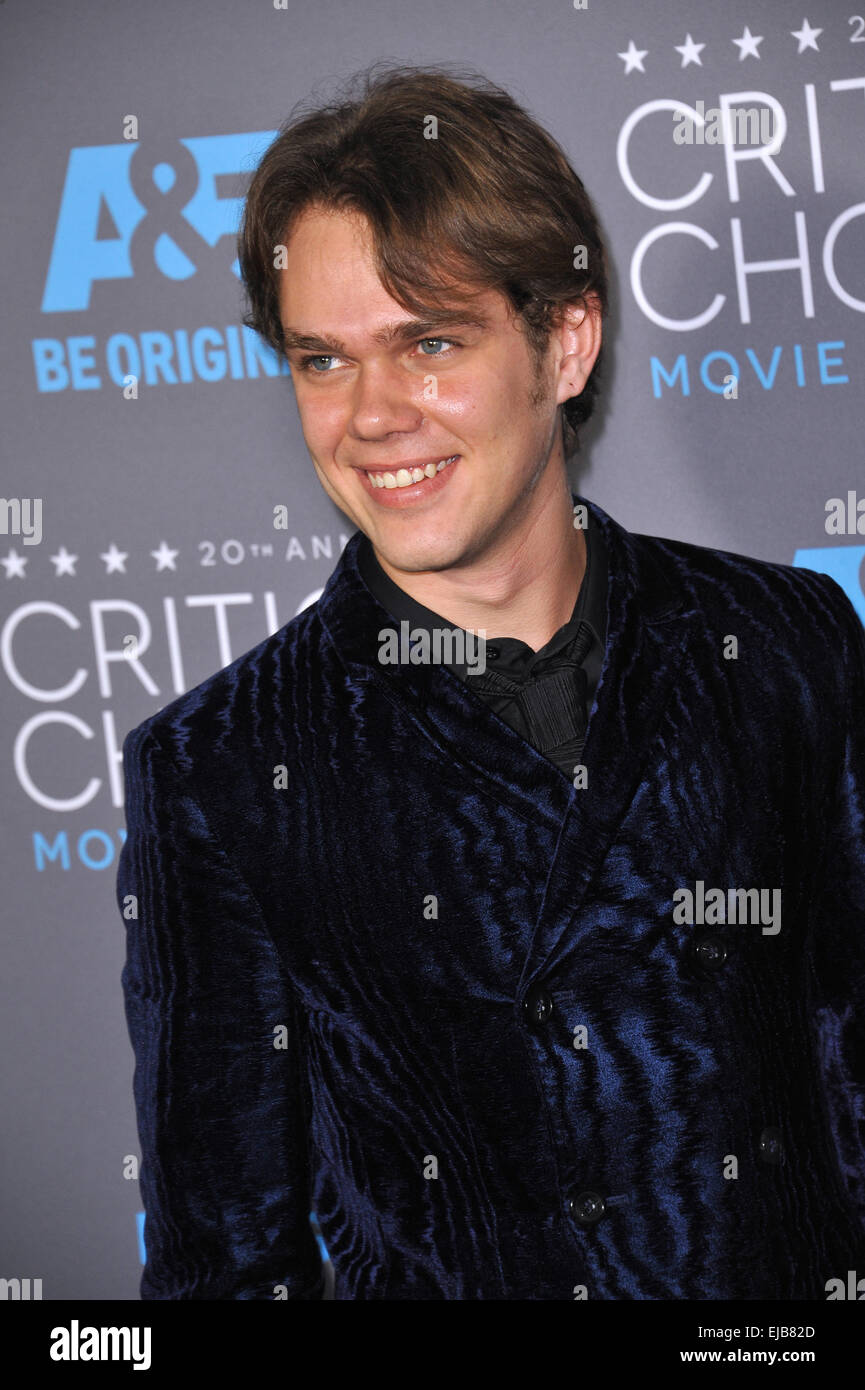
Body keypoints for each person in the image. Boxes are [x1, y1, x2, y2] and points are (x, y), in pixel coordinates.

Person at [117, 63, 865, 1300]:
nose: (370, 416)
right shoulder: (223, 766)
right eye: (322, 360)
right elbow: (225, 1263)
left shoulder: (784, 639)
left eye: (429, 343)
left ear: (563, 342)